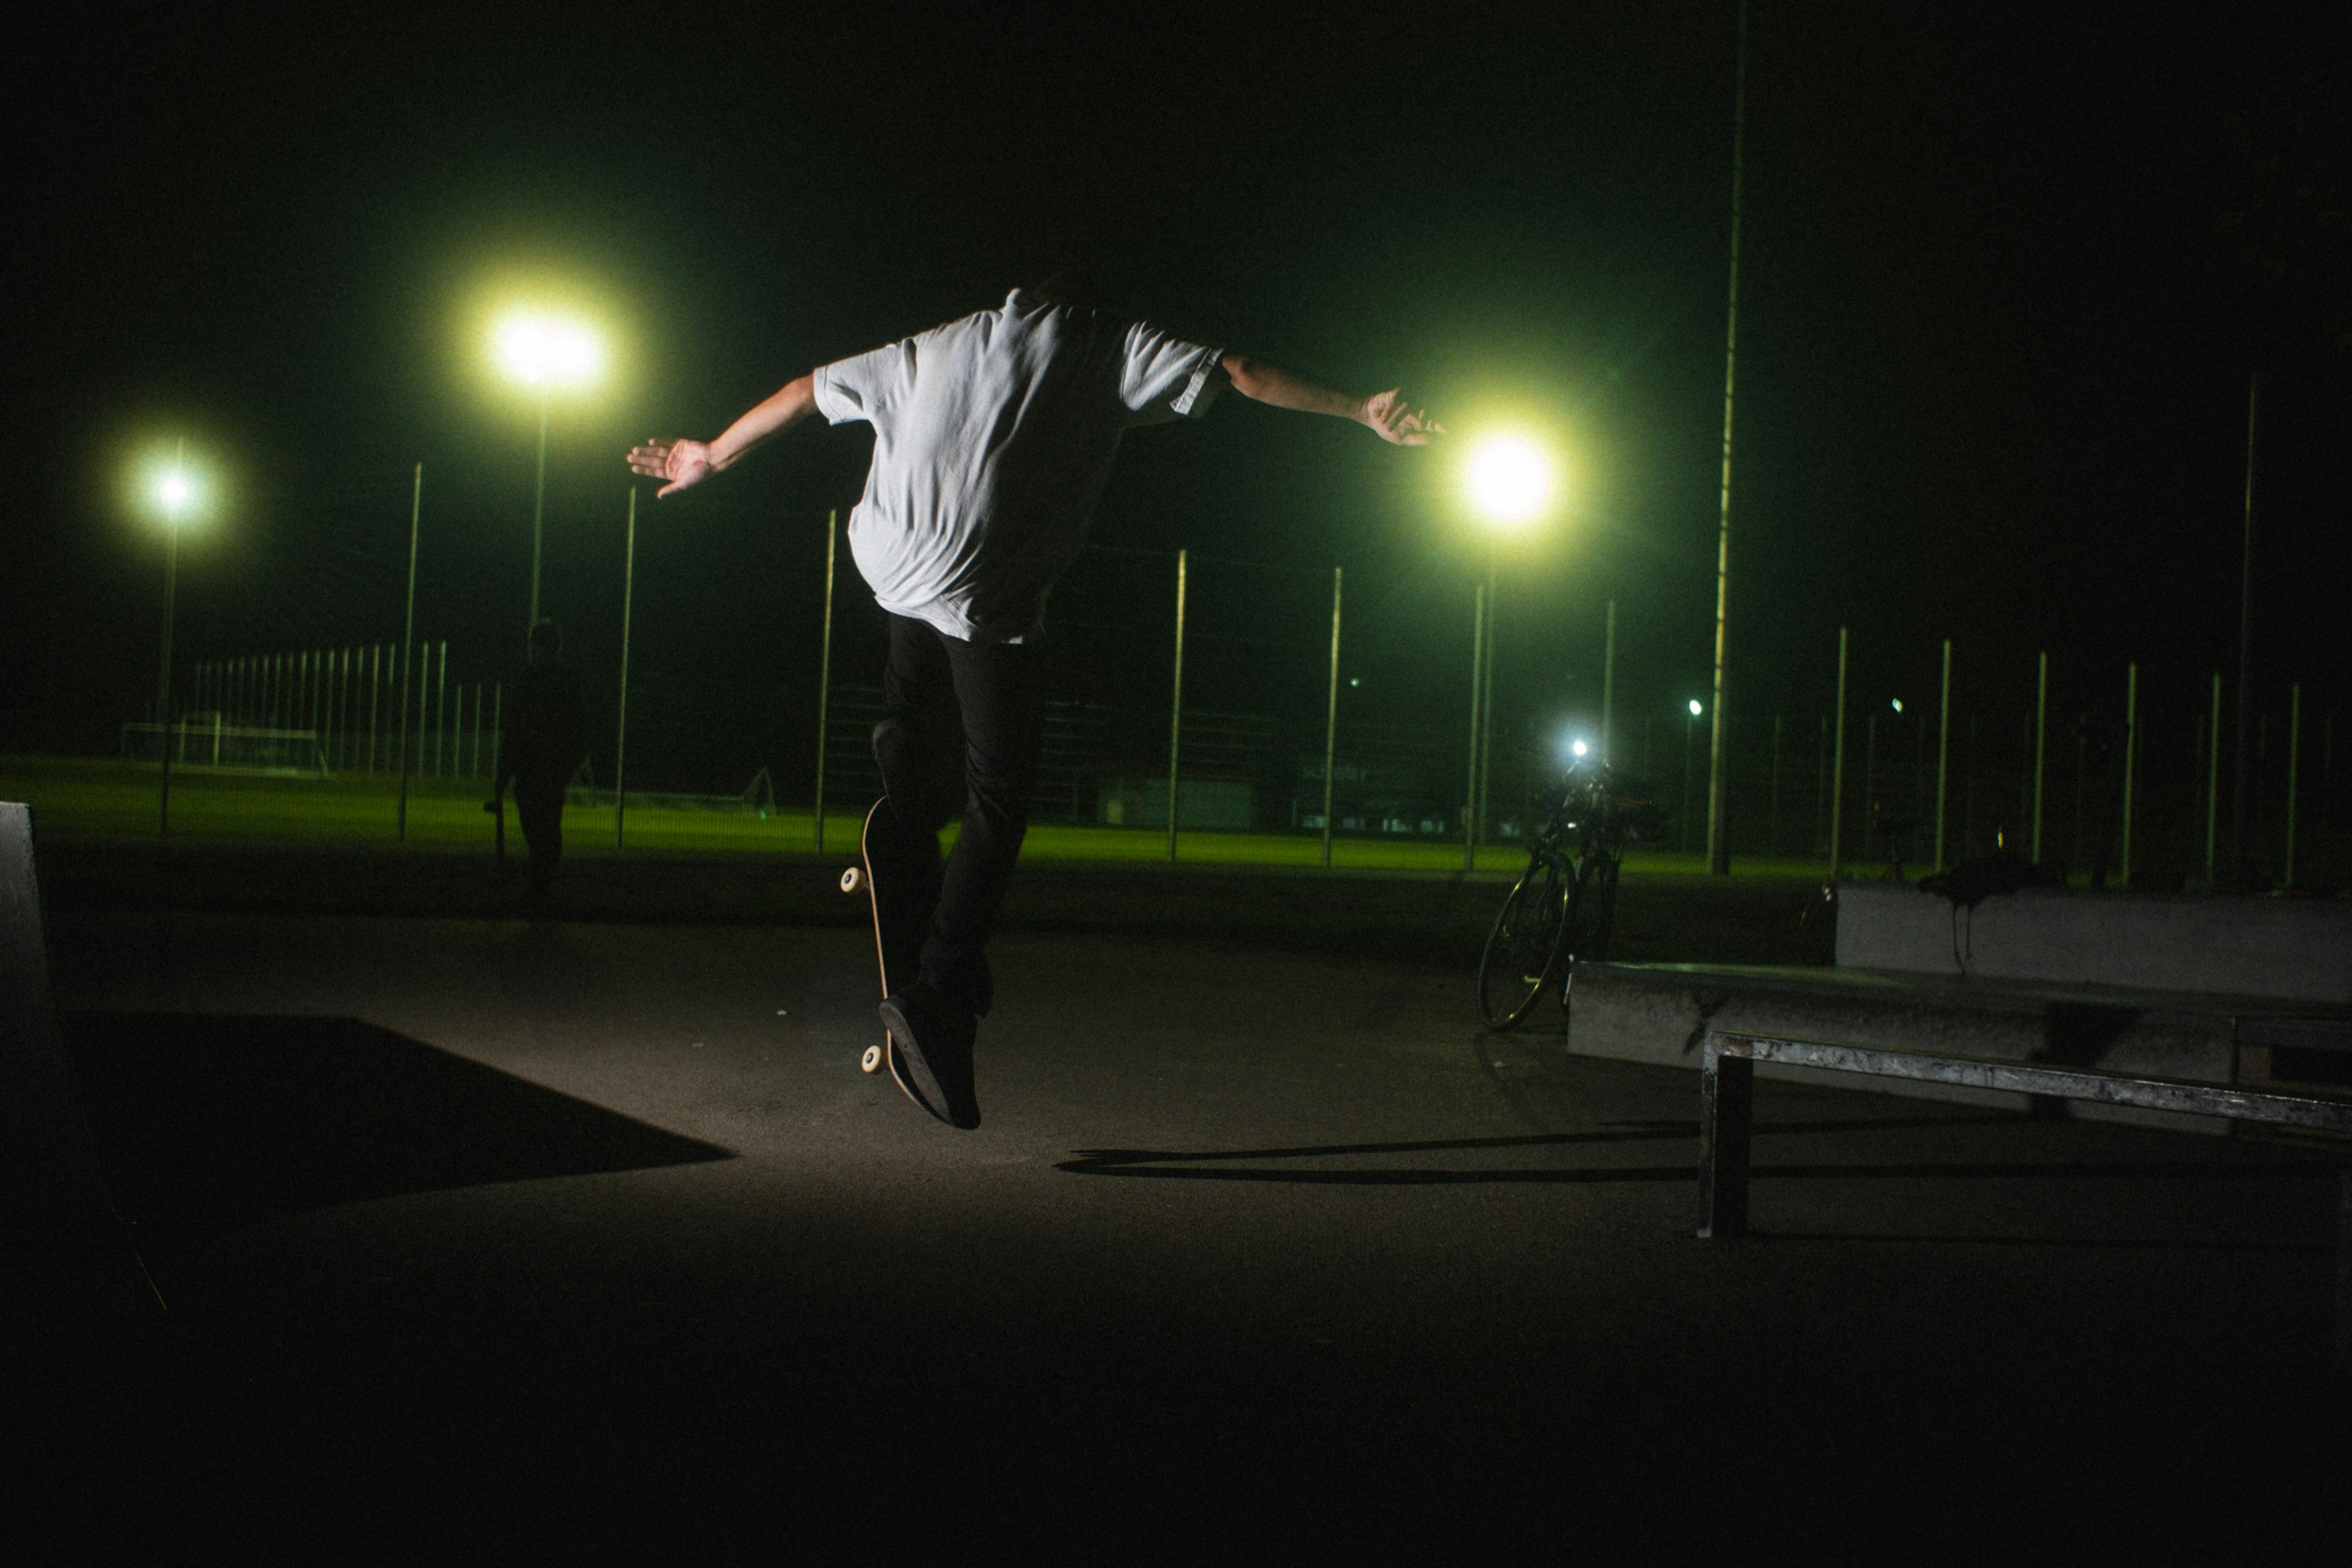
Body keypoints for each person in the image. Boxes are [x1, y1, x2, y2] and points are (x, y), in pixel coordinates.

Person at [628, 279, 1440, 1129]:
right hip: (979, 589)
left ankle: (906, 783)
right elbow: (1239, 370)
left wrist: (711, 453)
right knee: (1003, 797)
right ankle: (941, 987)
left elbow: (801, 393)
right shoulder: (1103, 342)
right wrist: (1360, 408)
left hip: (886, 555)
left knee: (914, 662)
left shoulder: (934, 344)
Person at [484, 618, 588, 902]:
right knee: (550, 827)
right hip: (554, 769)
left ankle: (539, 885)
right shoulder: (568, 679)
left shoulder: (529, 678)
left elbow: (516, 728)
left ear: (537, 645)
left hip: (531, 766)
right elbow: (579, 727)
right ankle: (544, 884)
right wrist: (571, 766)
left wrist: (503, 774)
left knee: (534, 826)